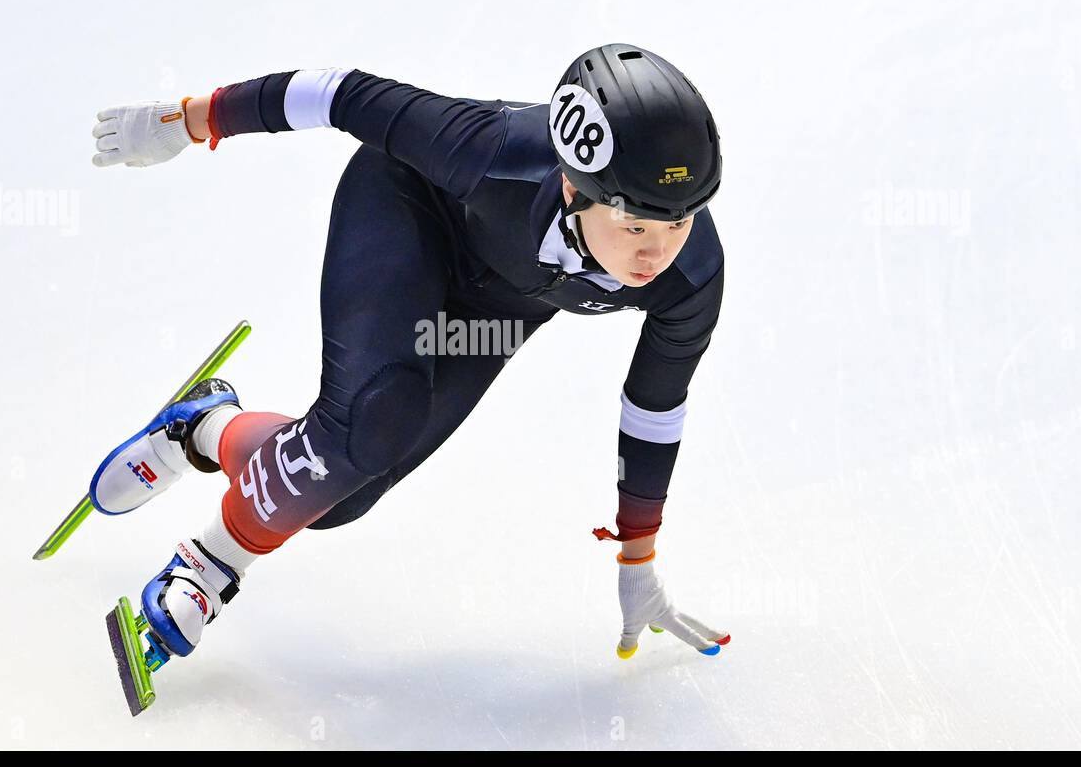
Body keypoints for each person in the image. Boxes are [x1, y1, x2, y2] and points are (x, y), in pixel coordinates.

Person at [89, 43, 730, 701]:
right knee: (368, 425)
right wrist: (192, 119)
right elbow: (340, 94)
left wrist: (638, 551)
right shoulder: (493, 150)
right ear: (573, 185)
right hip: (403, 210)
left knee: (336, 499)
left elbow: (654, 406)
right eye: (633, 223)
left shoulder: (690, 275)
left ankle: (200, 427)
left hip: (494, 314)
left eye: (679, 220)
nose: (657, 250)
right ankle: (209, 564)